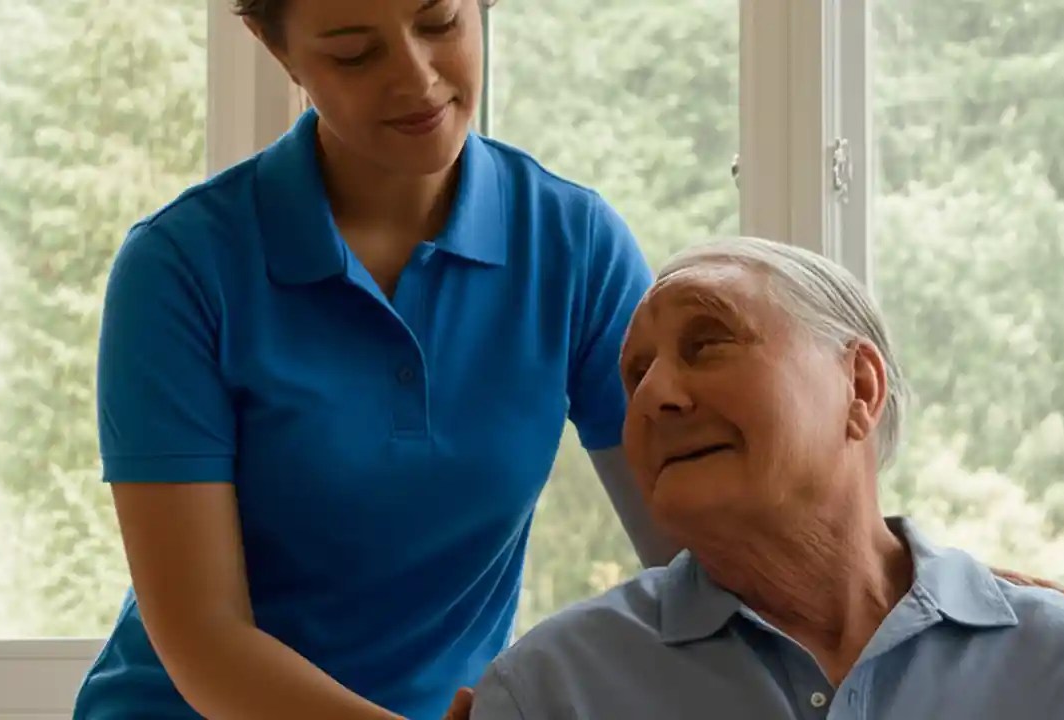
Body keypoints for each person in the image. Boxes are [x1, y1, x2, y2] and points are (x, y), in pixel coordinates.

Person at [72, 1, 676, 718]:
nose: (416, 78)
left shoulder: (573, 247)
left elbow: (689, 562)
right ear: (281, 53)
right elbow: (205, 638)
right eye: (356, 53)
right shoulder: (179, 270)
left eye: (440, 23)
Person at [467, 237, 1064, 719]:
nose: (654, 397)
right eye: (635, 374)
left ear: (859, 385)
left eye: (707, 343)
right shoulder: (549, 692)